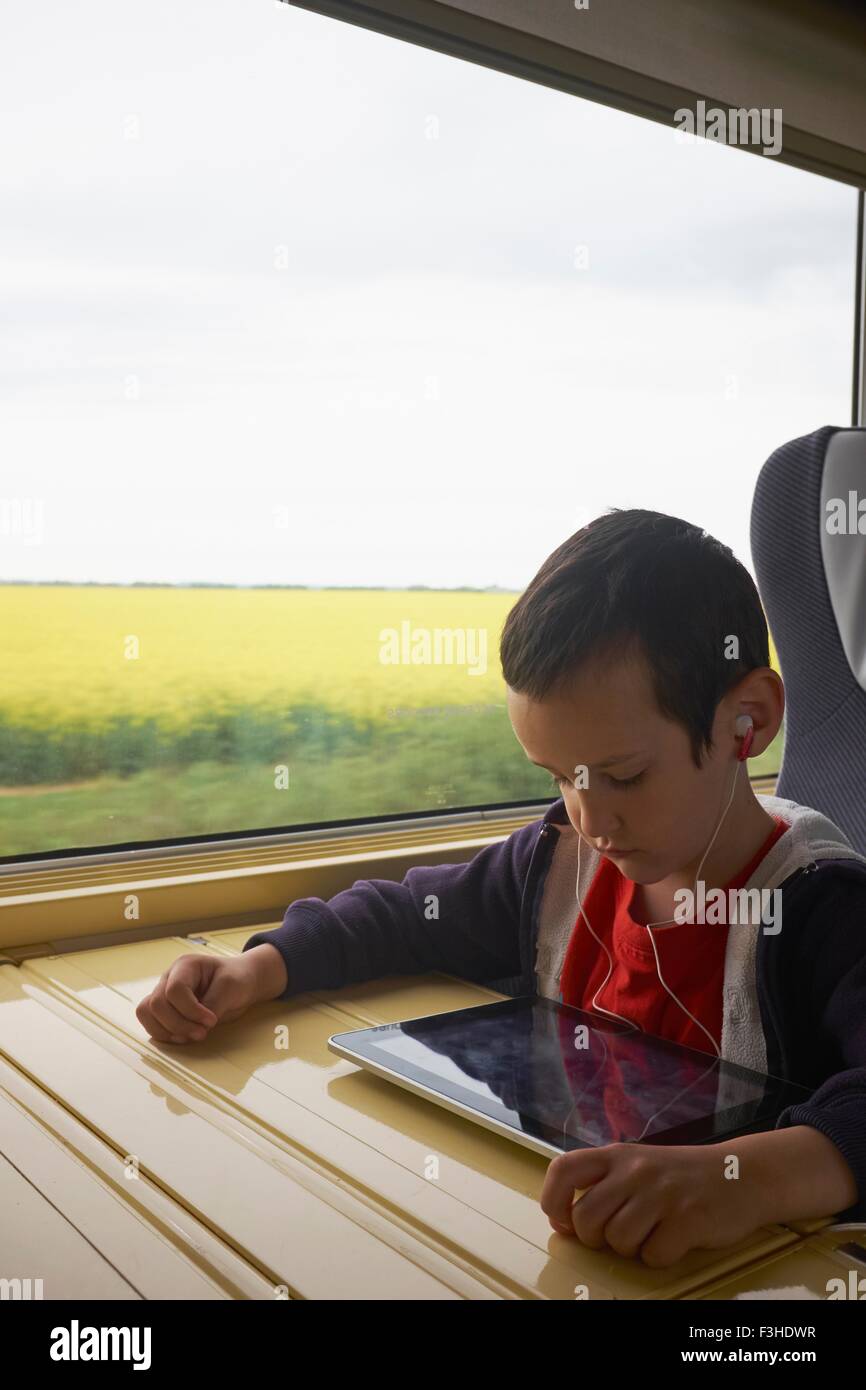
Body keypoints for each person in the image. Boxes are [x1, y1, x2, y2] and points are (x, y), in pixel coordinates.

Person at [135, 508, 866, 1267]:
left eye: (623, 776)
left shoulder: (822, 911)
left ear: (747, 724)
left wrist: (741, 1180)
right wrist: (259, 967)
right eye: (560, 777)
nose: (591, 817)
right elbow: (407, 916)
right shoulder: (558, 866)